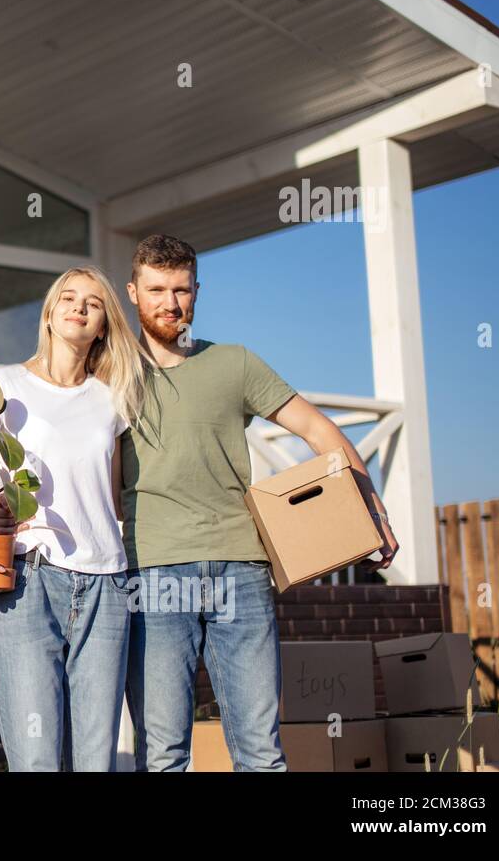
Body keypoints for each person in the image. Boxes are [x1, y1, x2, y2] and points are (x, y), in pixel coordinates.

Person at [117, 234, 400, 771]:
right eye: (156, 289)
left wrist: (373, 512)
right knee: (161, 753)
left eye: (181, 289)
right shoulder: (113, 372)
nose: (169, 303)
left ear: (197, 291)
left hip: (240, 570)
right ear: (133, 292)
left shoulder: (235, 363)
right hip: (151, 573)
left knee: (260, 750)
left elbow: (318, 428)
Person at [0, 266, 149, 771]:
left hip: (106, 587)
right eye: (68, 298)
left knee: (94, 759)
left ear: (102, 325)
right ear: (51, 315)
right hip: (28, 583)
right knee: (37, 757)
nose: (78, 307)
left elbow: (113, 500)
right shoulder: (4, 385)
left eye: (92, 303)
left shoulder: (113, 399)